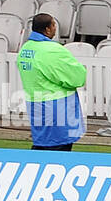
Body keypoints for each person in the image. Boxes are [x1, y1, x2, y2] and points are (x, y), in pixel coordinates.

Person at [17, 13, 87, 151]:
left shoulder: (26, 48)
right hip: (57, 106)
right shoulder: (52, 50)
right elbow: (77, 77)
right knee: (59, 146)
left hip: (35, 103)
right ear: (48, 29)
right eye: (53, 25)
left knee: (42, 144)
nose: (55, 28)